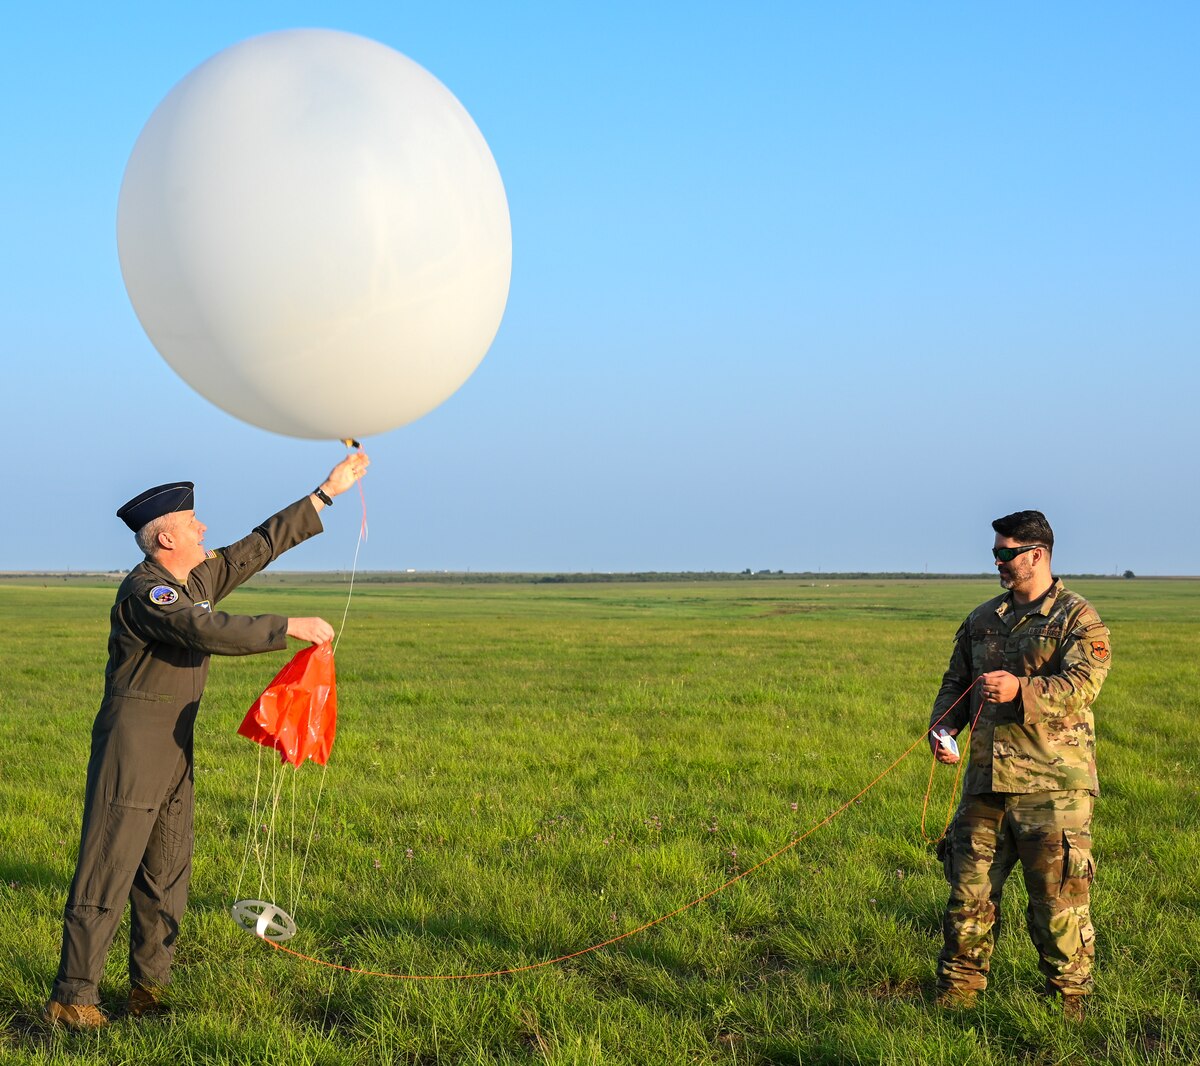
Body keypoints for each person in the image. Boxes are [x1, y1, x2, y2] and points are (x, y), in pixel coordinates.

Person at [43, 453, 370, 1029]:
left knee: (166, 869)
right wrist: (287, 625)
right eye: (194, 522)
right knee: (109, 864)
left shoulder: (193, 578)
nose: (204, 529)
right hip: (132, 747)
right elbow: (203, 628)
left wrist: (326, 492)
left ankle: (148, 988)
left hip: (174, 743)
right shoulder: (149, 593)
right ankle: (73, 996)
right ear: (166, 535)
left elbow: (256, 547)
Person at [928, 510, 1111, 1021]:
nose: (999, 562)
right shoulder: (982, 619)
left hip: (1053, 787)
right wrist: (942, 730)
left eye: (1007, 553)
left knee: (1057, 902)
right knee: (968, 894)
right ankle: (958, 993)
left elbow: (1082, 687)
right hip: (985, 782)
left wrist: (1021, 690)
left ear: (1037, 555)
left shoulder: (1079, 619)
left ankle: (1069, 1000)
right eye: (996, 553)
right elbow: (955, 684)